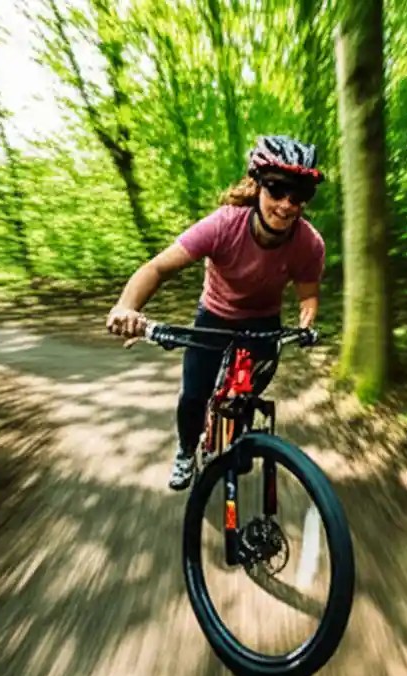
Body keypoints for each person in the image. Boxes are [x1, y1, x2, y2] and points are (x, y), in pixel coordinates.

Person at [105, 135, 327, 490]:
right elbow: (157, 269)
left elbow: (308, 294)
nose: (287, 204)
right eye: (276, 189)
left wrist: (307, 318)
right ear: (257, 186)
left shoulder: (309, 244)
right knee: (194, 395)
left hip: (263, 324)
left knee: (244, 398)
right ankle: (186, 449)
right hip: (214, 316)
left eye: (299, 195)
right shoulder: (224, 224)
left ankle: (234, 438)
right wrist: (126, 307)